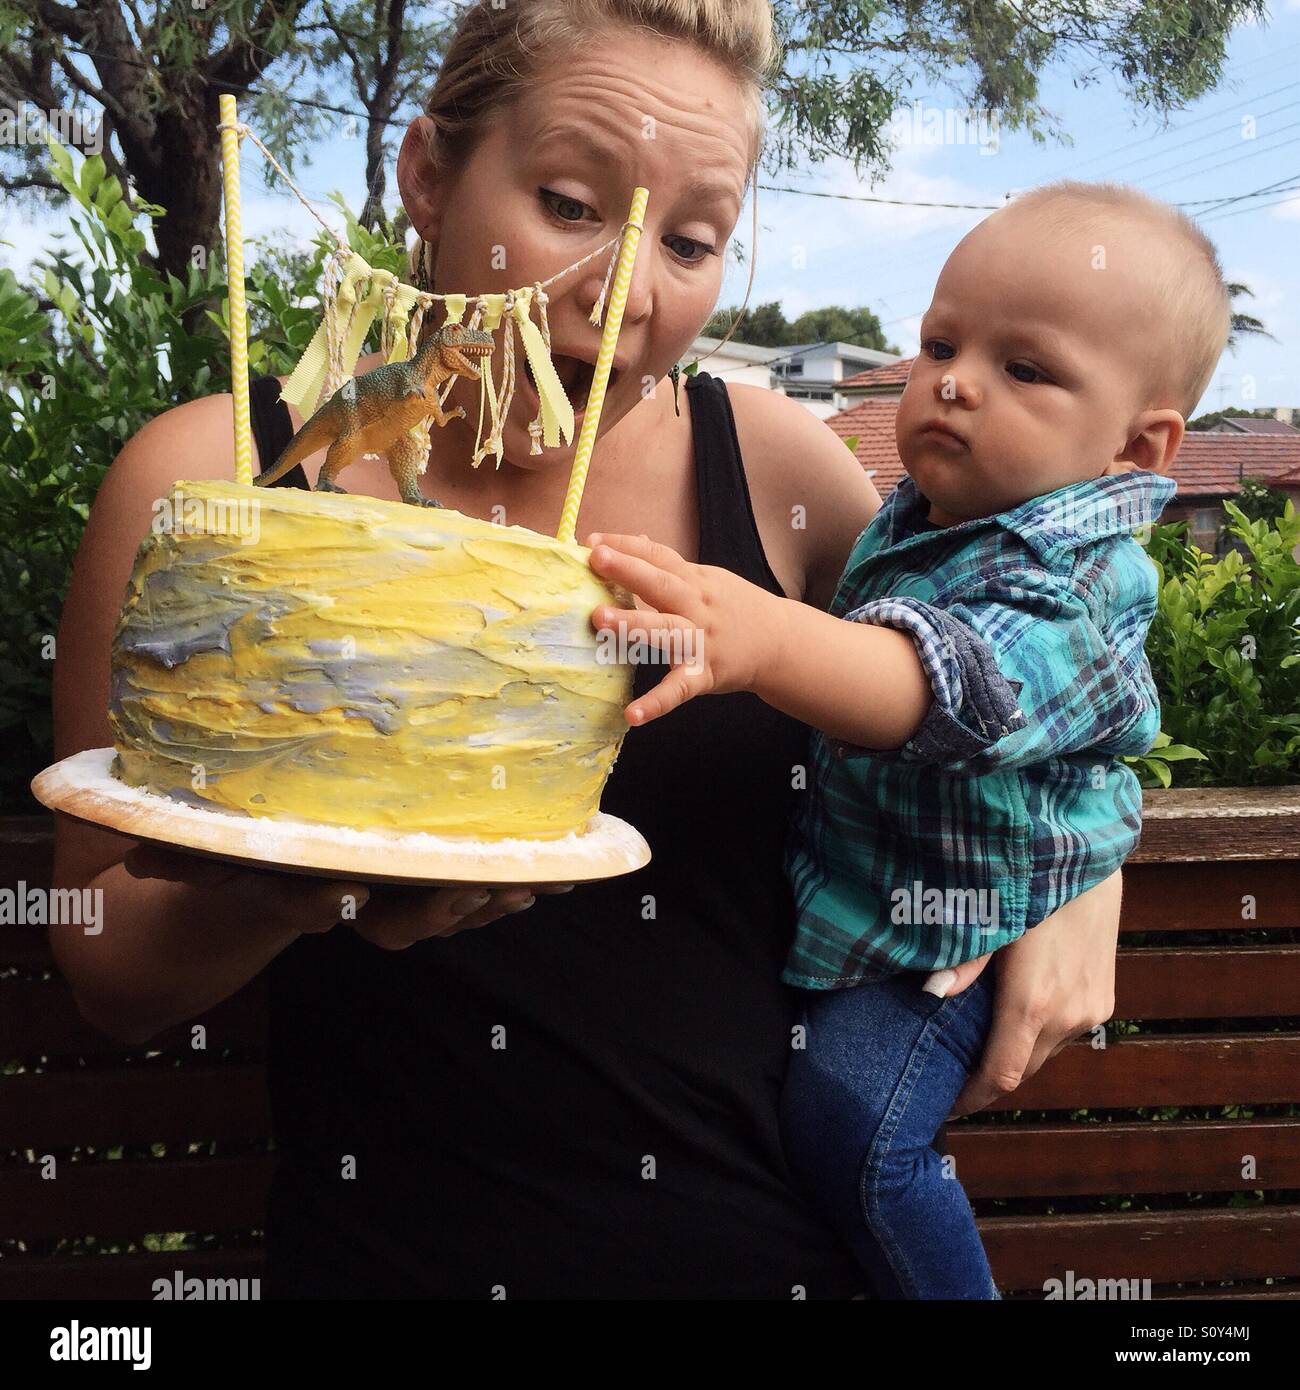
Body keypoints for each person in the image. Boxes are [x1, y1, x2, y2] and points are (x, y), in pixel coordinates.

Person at [48, 0, 1123, 1298]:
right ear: (427, 175)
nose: (627, 291)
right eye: (567, 202)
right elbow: (104, 962)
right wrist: (304, 882)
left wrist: (1081, 876)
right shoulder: (217, 479)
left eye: (689, 239)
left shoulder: (781, 470)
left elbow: (1039, 662)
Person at [584, 181, 1230, 1297]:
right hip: (870, 915)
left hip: (946, 944)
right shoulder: (919, 513)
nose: (955, 381)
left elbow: (949, 688)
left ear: (1136, 446)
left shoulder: (1074, 575)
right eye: (939, 342)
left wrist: (760, 635)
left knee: (857, 1125)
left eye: (1023, 369)